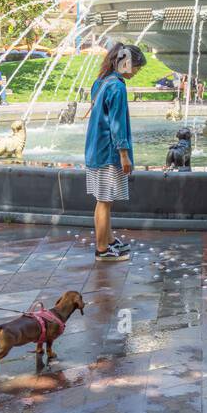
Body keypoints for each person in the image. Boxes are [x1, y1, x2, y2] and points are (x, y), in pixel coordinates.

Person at [85, 42, 147, 261]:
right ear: (126, 63)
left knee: (105, 200)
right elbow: (117, 124)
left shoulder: (101, 81)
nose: (137, 71)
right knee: (104, 201)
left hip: (95, 149)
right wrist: (124, 154)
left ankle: (109, 240)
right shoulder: (117, 87)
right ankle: (102, 249)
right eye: (137, 67)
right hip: (108, 153)